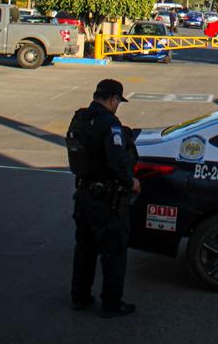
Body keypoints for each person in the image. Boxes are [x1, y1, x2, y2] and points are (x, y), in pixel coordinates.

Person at [66, 78, 139, 318]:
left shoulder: (80, 118)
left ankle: (80, 296)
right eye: (118, 101)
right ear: (113, 99)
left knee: (85, 249)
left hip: (84, 193)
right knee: (114, 252)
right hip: (107, 199)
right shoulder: (110, 124)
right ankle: (111, 303)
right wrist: (132, 182)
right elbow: (117, 161)